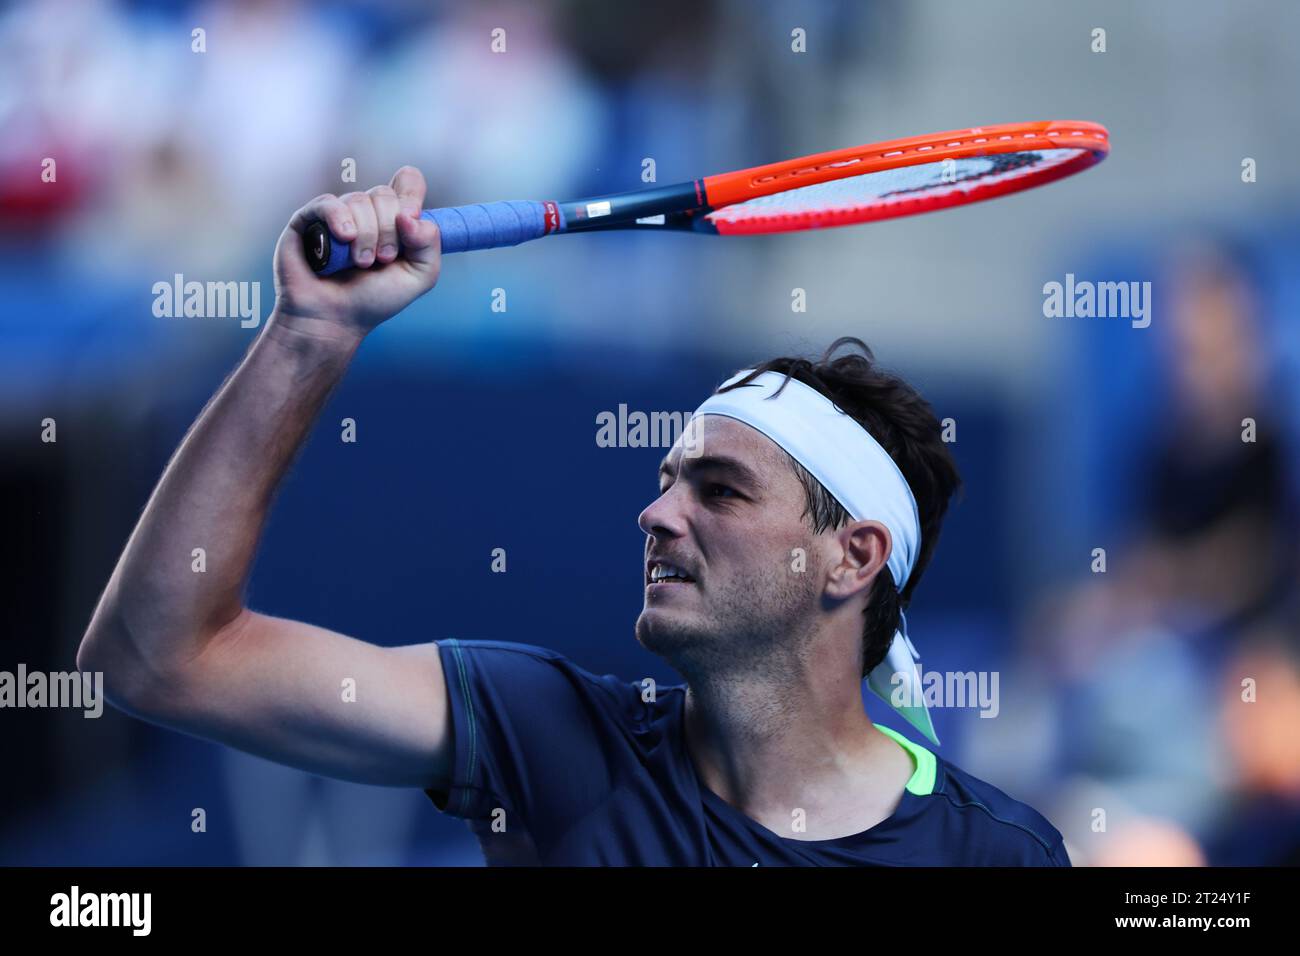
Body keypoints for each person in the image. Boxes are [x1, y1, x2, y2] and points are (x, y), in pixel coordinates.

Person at [77, 167, 1069, 866]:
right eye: (667, 477)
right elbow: (156, 656)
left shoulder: (1000, 852)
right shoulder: (544, 735)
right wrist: (310, 333)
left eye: (717, 489)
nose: (655, 513)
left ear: (850, 556)